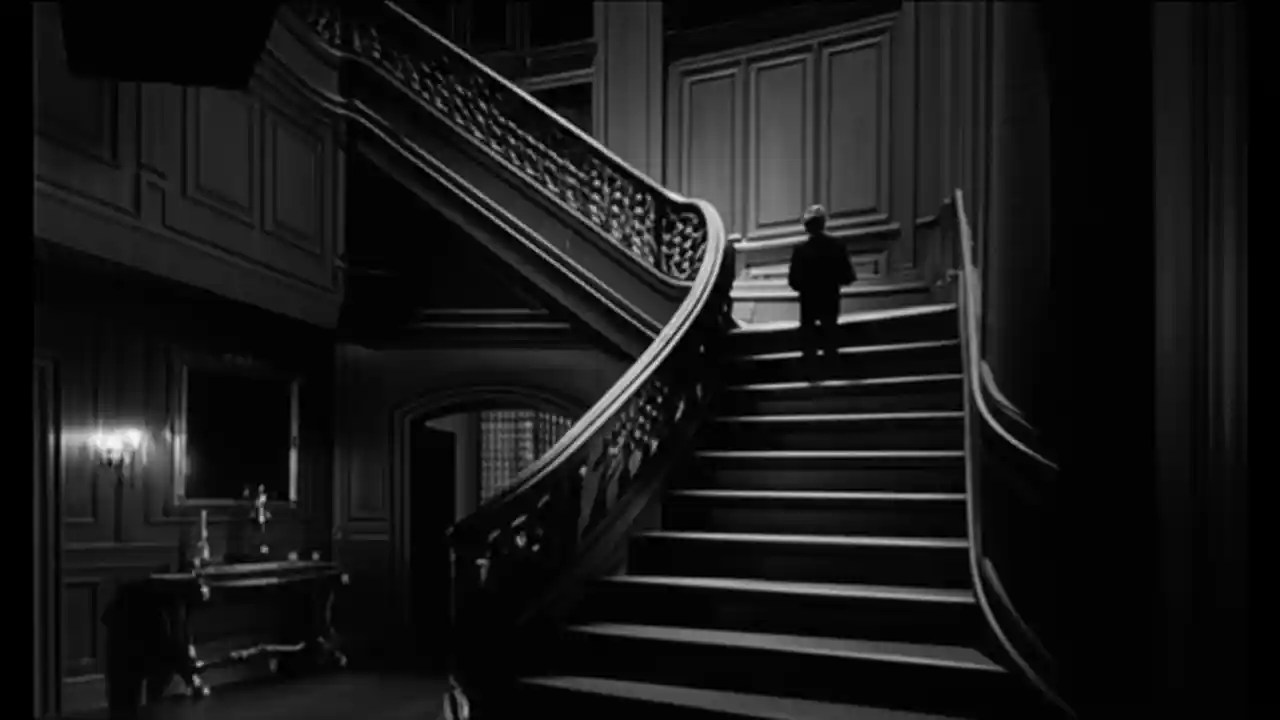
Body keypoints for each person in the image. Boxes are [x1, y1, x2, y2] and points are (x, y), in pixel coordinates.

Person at [788, 204, 856, 377]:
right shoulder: (838, 245)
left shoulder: (800, 250)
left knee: (808, 337)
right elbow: (848, 276)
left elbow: (793, 281)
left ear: (807, 227)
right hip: (830, 297)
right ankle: (832, 370)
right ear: (823, 223)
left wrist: (806, 285)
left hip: (809, 299)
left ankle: (811, 373)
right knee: (830, 334)